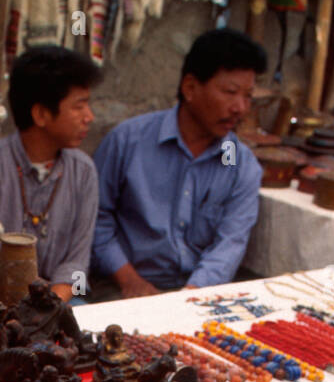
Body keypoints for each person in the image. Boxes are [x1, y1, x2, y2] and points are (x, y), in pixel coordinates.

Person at [92, 29, 267, 298]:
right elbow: (96, 220)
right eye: (230, 92)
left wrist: (189, 296)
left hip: (197, 292)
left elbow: (229, 244)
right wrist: (130, 280)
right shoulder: (127, 141)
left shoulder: (242, 165)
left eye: (248, 97)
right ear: (190, 88)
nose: (240, 108)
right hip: (121, 286)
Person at [0, 46, 101, 301]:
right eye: (79, 107)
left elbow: (76, 265)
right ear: (41, 114)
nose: (89, 117)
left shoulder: (83, 172)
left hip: (54, 302)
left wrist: (47, 309)